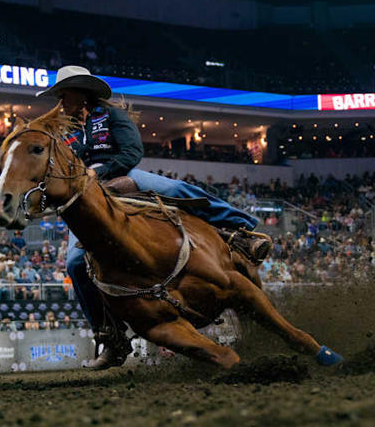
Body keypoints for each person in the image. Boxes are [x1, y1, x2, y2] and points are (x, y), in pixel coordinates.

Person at [35, 65, 270, 369]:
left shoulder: (111, 117)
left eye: (64, 94)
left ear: (81, 94)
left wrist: (100, 171)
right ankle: (109, 336)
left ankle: (237, 229)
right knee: (75, 263)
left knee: (175, 188)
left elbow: (131, 152)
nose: (60, 101)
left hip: (121, 175)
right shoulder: (64, 133)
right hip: (85, 198)